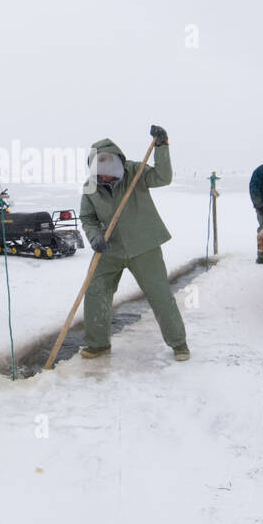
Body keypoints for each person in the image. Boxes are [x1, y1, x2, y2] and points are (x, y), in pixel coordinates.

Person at [79, 125, 189, 362]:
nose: (108, 177)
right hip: (109, 247)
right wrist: (94, 236)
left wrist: (161, 146)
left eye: (112, 171)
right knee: (95, 290)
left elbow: (163, 177)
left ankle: (179, 343)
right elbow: (87, 217)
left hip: (143, 245)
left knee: (159, 293)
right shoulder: (90, 186)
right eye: (102, 173)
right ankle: (98, 344)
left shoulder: (134, 172)